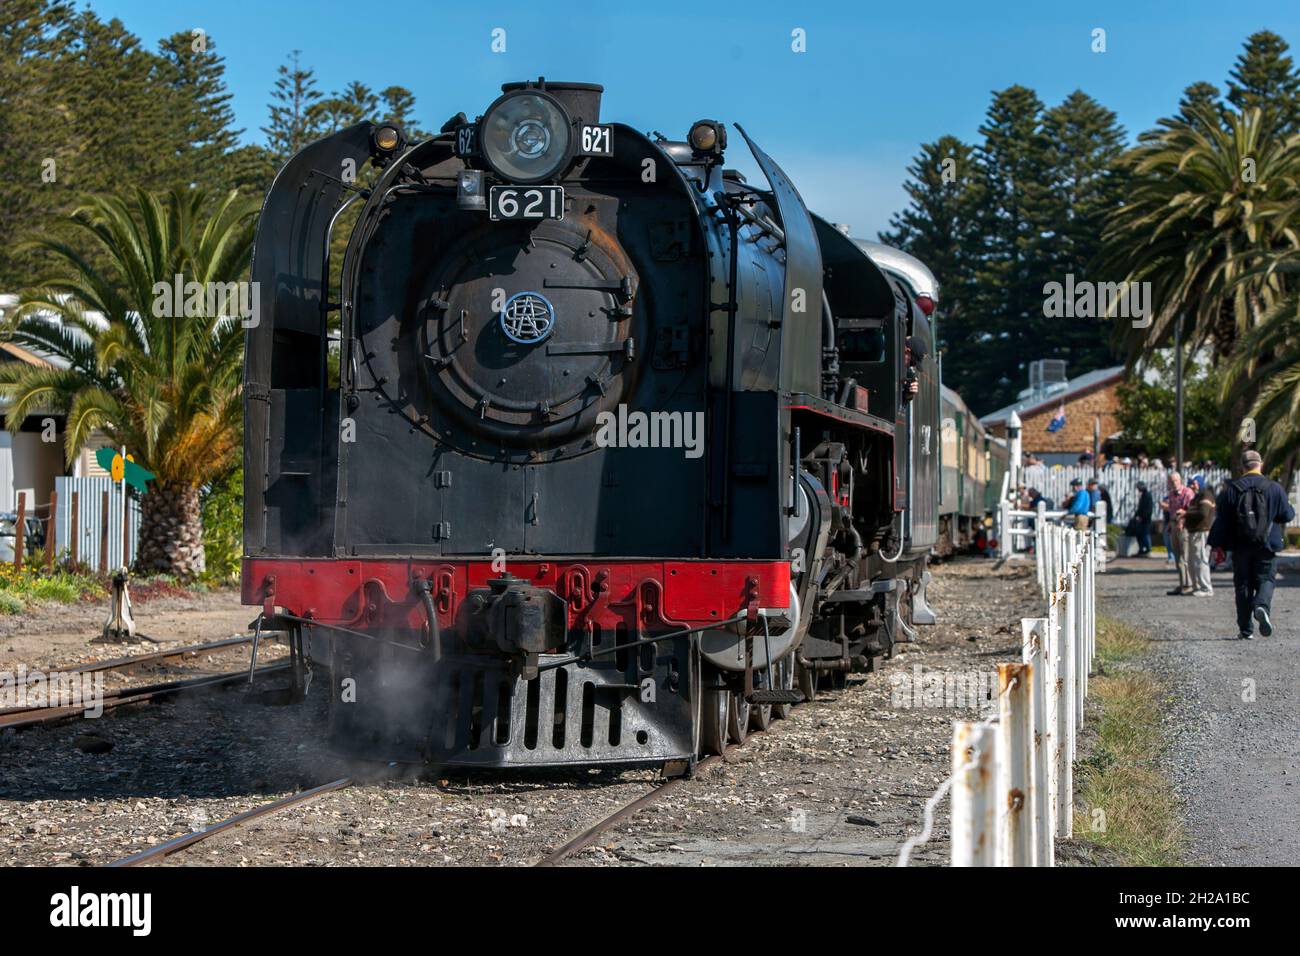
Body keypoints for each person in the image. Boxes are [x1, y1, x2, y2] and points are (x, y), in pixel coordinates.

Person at [1207, 450, 1296, 639]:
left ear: (1242, 466)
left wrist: (1216, 544)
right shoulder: (1274, 488)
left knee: (1242, 585)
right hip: (1267, 545)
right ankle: (1261, 607)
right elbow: (1287, 515)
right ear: (1260, 464)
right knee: (1266, 579)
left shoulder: (1231, 490)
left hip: (1241, 546)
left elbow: (1222, 519)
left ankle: (1246, 630)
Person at [1183, 478, 1216, 596]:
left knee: (1201, 559)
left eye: (1194, 483)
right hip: (1194, 531)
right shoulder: (1198, 496)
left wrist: (1186, 513)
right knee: (1192, 560)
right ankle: (1196, 586)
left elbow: (1203, 513)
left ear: (1200, 483)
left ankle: (1206, 588)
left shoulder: (1206, 494)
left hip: (1202, 531)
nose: (1191, 485)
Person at [1164, 472, 1196, 595]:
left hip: (1184, 526)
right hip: (1173, 525)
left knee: (1184, 557)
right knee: (1177, 556)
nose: (1174, 483)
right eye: (1171, 481)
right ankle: (1182, 583)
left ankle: (1188, 584)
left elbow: (1191, 510)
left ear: (1180, 481)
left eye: (1176, 481)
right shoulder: (1171, 494)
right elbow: (1171, 511)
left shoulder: (1187, 493)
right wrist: (1170, 525)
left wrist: (1182, 520)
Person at [1133, 481, 1154, 554]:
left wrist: (1142, 517)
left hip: (1145, 519)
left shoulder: (1147, 496)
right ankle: (1142, 548)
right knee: (1139, 534)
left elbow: (1148, 509)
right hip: (1142, 519)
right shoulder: (1143, 495)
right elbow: (1140, 508)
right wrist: (1136, 516)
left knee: (1145, 534)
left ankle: (1148, 548)